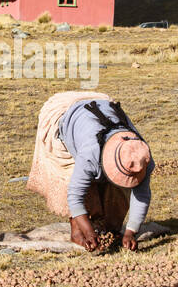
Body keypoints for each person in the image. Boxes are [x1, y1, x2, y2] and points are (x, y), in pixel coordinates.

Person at [57, 98, 154, 252]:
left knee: (113, 190)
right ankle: (76, 230)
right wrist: (89, 232)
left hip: (106, 113)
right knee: (76, 180)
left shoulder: (141, 157)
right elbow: (75, 196)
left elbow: (141, 195)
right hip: (71, 120)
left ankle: (103, 224)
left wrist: (130, 232)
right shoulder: (89, 154)